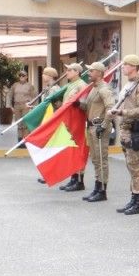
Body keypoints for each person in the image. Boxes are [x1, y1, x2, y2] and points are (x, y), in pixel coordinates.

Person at [111, 55, 139, 216]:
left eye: (126, 64)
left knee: (137, 168)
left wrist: (122, 112)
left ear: (134, 66)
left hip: (135, 130)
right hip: (125, 130)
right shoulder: (129, 85)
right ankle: (133, 198)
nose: (123, 67)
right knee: (130, 165)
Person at [79, 61, 115, 203]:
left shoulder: (104, 89)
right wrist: (78, 104)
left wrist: (105, 124)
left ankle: (102, 190)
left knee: (101, 159)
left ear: (99, 73)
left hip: (99, 127)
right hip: (91, 127)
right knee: (95, 159)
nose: (88, 73)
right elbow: (88, 107)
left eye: (91, 71)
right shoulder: (93, 88)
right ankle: (97, 186)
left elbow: (110, 108)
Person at [59, 63, 88, 192]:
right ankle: (73, 178)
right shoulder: (70, 85)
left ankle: (79, 181)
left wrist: (77, 103)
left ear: (77, 72)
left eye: (70, 70)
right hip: (69, 121)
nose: (67, 72)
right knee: (71, 149)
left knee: (78, 150)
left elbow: (85, 104)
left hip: (77, 121)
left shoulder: (82, 85)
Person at [10, 70, 37, 142]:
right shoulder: (15, 85)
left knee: (25, 123)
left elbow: (34, 97)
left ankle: (25, 140)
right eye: (20, 75)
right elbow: (10, 96)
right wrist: (10, 106)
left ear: (26, 77)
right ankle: (19, 139)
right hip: (17, 105)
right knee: (19, 123)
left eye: (23, 75)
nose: (21, 77)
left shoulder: (30, 86)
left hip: (26, 106)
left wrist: (33, 107)